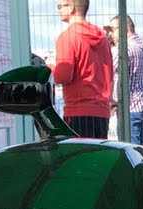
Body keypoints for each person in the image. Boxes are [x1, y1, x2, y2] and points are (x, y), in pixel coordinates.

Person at [50, 0, 113, 139]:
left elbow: (62, 76)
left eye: (60, 6)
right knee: (97, 159)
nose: (58, 10)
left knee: (79, 159)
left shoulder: (67, 37)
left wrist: (50, 66)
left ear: (71, 7)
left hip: (78, 111)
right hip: (102, 111)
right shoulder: (102, 38)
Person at [106, 15, 143, 146]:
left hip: (128, 109)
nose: (110, 34)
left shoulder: (122, 49)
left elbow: (106, 69)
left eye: (112, 29)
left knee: (131, 151)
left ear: (124, 28)